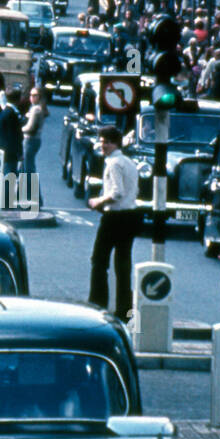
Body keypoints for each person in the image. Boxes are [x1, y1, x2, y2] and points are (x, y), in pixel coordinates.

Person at [87, 125, 139, 321]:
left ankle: (97, 303)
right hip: (131, 215)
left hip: (115, 217)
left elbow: (117, 192)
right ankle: (124, 310)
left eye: (106, 142)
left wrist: (97, 201)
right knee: (123, 264)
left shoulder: (113, 163)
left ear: (115, 143)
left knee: (99, 261)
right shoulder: (129, 162)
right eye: (101, 142)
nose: (103, 146)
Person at [21, 86, 47, 202]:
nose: (32, 98)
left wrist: (20, 128)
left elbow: (30, 128)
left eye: (35, 95)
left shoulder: (36, 109)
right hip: (34, 140)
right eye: (31, 95)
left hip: (31, 140)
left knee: (29, 170)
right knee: (24, 168)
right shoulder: (36, 108)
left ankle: (35, 199)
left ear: (39, 97)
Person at [0, 86, 24, 180]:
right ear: (18, 99)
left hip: (5, 148)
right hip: (11, 151)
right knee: (9, 176)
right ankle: (7, 194)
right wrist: (19, 152)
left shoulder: (5, 111)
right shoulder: (11, 114)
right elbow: (13, 136)